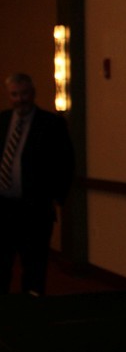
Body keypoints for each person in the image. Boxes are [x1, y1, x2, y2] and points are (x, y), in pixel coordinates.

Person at [0, 73, 75, 296]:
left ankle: (32, 308)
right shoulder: (2, 121)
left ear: (32, 94)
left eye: (24, 94)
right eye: (15, 94)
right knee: (2, 263)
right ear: (9, 96)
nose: (20, 99)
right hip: (3, 207)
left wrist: (55, 198)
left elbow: (65, 162)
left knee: (34, 265)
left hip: (35, 208)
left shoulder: (51, 124)